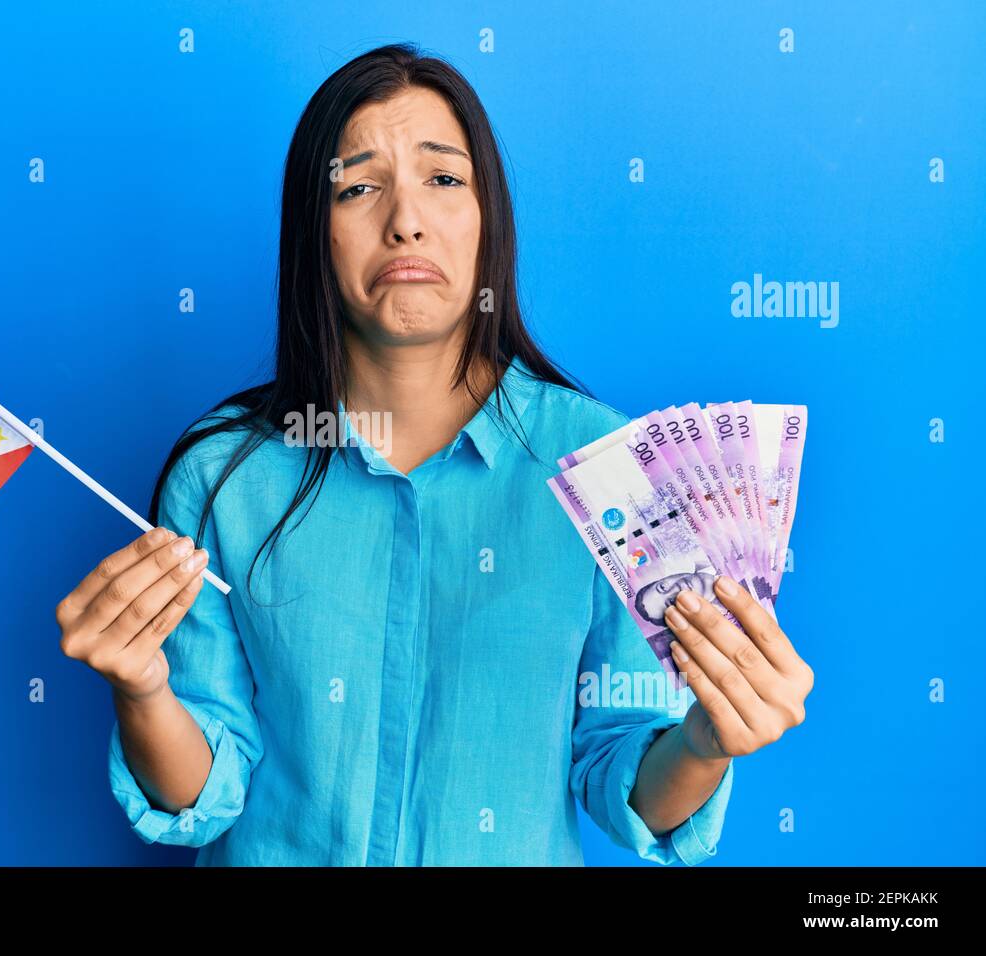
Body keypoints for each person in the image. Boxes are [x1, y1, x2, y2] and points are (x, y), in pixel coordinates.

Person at [55, 42, 814, 866]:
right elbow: (205, 792)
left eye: (443, 179)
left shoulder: (606, 467)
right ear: (315, 234)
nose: (405, 219)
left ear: (489, 219)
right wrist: (141, 689)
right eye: (358, 187)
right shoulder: (221, 477)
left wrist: (706, 739)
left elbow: (622, 772)